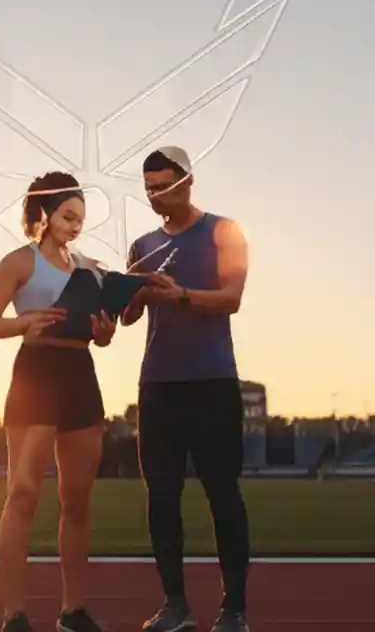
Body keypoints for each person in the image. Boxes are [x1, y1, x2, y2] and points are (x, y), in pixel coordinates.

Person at [0, 170, 117, 632]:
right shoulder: (18, 262)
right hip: (36, 374)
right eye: (68, 215)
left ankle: (72, 611)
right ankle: (13, 614)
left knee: (76, 501)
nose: (76, 225)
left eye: (81, 218)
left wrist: (104, 332)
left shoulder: (89, 268)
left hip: (80, 375)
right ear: (45, 213)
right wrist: (25, 322)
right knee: (23, 492)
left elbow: (102, 337)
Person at [120, 146, 252, 632]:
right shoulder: (141, 245)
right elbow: (129, 315)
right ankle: (175, 605)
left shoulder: (225, 232)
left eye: (164, 185)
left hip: (213, 383)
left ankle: (233, 608)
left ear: (188, 180)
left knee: (223, 494)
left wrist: (178, 294)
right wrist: (128, 292)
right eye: (149, 188)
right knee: (161, 497)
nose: (156, 195)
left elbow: (231, 299)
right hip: (158, 386)